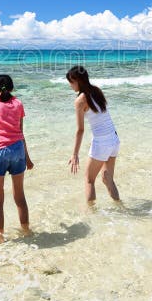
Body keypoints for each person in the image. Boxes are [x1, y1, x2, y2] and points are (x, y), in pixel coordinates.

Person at [0, 74, 33, 240]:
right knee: (19, 195)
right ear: (11, 88)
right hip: (17, 150)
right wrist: (27, 158)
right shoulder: (18, 103)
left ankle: (0, 237)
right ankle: (26, 231)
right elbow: (20, 133)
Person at [66, 65, 121, 203]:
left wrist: (75, 154)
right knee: (107, 178)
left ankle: (92, 215)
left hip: (102, 142)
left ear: (77, 80)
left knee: (89, 180)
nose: (70, 86)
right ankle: (120, 207)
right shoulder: (97, 90)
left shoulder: (80, 100)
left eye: (71, 82)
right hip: (114, 139)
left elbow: (80, 130)